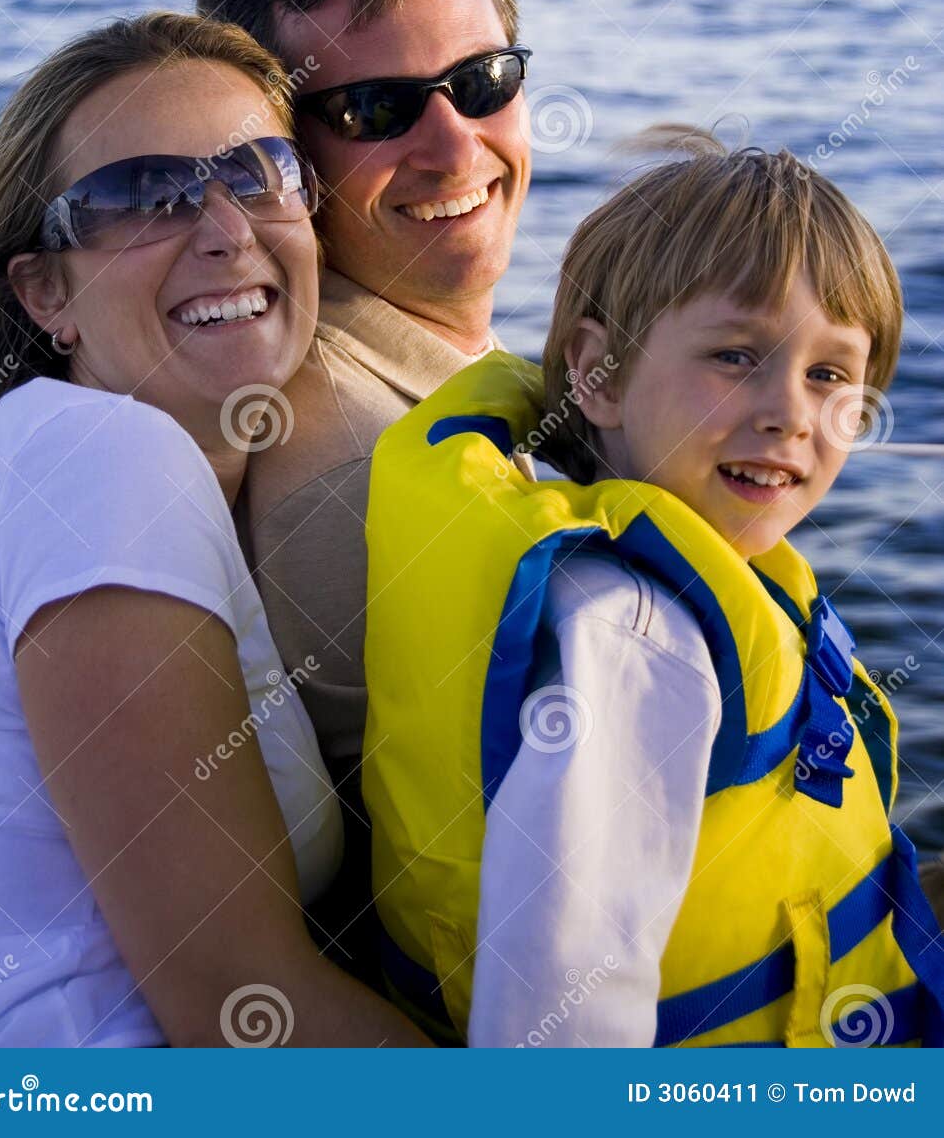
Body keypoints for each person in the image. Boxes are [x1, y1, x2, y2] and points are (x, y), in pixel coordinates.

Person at [0, 12, 426, 1048]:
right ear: (47, 295)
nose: (226, 229)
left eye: (264, 172)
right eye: (140, 196)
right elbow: (244, 1013)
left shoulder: (147, 493)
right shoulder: (97, 458)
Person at [363, 126, 944, 1047]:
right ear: (596, 374)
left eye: (828, 373)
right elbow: (561, 1030)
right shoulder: (633, 639)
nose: (789, 414)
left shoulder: (621, 559)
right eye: (735, 357)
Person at [197, 0, 532, 972]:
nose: (454, 146)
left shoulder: (440, 383)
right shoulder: (359, 459)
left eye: (482, 81)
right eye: (379, 110)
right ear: (278, 164)